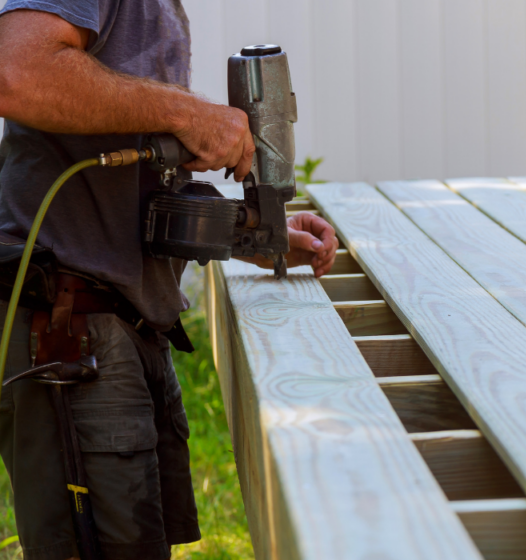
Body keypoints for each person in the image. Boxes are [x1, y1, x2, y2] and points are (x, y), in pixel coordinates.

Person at [0, 2, 339, 559]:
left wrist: (256, 233)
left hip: (128, 330)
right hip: (70, 334)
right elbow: (18, 69)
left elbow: (142, 190)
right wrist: (188, 114)